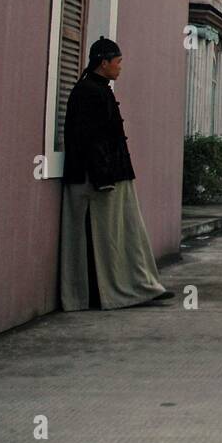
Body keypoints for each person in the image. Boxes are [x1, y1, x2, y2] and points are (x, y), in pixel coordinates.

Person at [58, 37, 173, 310]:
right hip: (99, 179)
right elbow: (89, 139)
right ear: (104, 62)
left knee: (119, 235)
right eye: (118, 62)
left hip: (107, 175)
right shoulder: (89, 92)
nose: (121, 67)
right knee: (109, 238)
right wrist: (103, 179)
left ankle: (131, 288)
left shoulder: (97, 90)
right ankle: (116, 292)